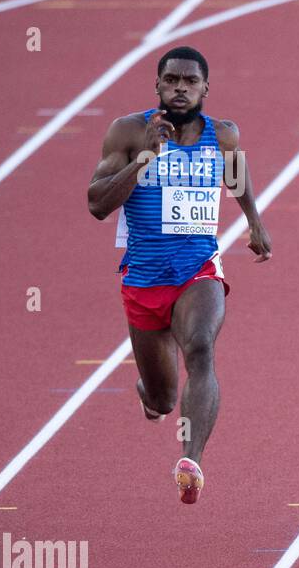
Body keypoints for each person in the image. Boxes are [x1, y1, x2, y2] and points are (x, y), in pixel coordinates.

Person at [87, 45, 272, 504]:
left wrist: (255, 221)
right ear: (157, 86)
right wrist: (144, 159)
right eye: (172, 80)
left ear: (206, 88)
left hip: (198, 269)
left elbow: (238, 175)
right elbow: (97, 204)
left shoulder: (223, 135)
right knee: (164, 399)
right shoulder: (129, 132)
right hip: (144, 278)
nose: (181, 89)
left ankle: (192, 461)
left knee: (202, 349)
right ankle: (149, 392)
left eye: (190, 82)